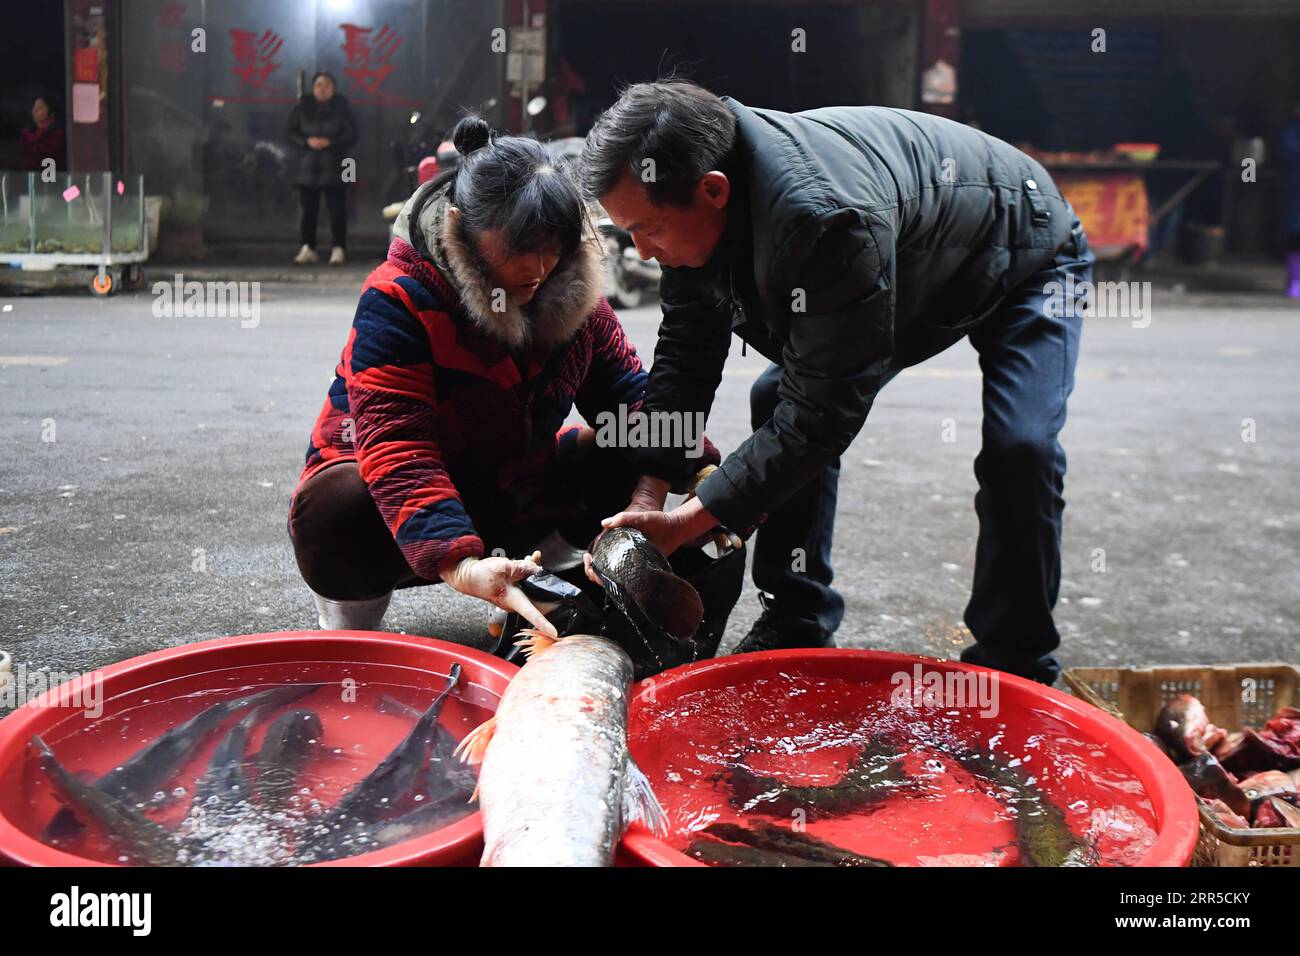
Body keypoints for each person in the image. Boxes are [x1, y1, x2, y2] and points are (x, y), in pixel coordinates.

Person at [578, 79, 1094, 685]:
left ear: (713, 191)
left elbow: (823, 415)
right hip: (918, 255)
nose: (640, 251)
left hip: (1027, 246)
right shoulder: (698, 186)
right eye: (628, 232)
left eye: (648, 230)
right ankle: (797, 615)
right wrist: (649, 494)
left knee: (1022, 449)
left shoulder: (824, 220)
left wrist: (692, 521)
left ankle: (1018, 660)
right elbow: (687, 353)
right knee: (774, 397)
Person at [288, 115, 719, 639]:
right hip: (392, 503)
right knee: (335, 509)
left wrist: (705, 474)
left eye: (550, 246)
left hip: (512, 485)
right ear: (458, 226)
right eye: (517, 247)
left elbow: (629, 400)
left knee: (625, 447)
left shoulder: (575, 297)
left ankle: (544, 576)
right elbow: (398, 445)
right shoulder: (399, 298)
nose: (537, 269)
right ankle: (351, 628)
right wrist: (459, 563)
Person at [285, 72, 357, 265]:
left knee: (337, 210)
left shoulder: (342, 108)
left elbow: (352, 134)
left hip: (335, 165)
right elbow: (289, 133)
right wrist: (306, 141)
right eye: (318, 84)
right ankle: (308, 247)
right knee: (308, 211)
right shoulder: (302, 108)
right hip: (307, 166)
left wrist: (330, 142)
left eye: (327, 85)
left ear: (333, 89)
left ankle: (338, 248)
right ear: (313, 88)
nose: (322, 88)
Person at [19, 95, 66, 172]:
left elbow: (45, 157)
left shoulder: (58, 134)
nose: (35, 111)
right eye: (34, 107)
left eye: (40, 108)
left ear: (51, 112)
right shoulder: (28, 133)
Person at [1282, 100, 1300, 299]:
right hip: (1297, 190)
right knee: (1296, 239)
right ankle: (1295, 280)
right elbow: (1287, 150)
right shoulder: (1292, 131)